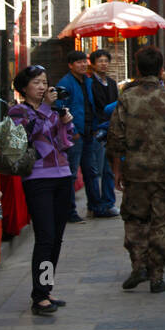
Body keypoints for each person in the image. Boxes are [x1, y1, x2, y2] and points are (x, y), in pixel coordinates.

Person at [106, 45, 165, 294]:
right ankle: (157, 276)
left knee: (135, 220)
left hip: (134, 171)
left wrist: (117, 171)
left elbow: (115, 137)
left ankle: (138, 265)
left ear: (138, 69)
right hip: (164, 172)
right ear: (162, 70)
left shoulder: (126, 98)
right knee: (162, 222)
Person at [9, 65, 76, 317]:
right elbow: (29, 135)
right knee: (45, 236)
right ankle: (39, 295)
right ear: (24, 87)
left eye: (44, 82)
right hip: (38, 179)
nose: (42, 87)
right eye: (36, 82)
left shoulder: (52, 110)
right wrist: (48, 109)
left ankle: (46, 288)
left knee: (56, 237)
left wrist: (64, 123)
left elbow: (63, 142)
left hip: (62, 175)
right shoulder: (18, 111)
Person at [60, 52, 115, 222]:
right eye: (79, 62)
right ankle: (69, 210)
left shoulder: (88, 82)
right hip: (75, 134)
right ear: (71, 65)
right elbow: (61, 109)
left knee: (91, 171)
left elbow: (91, 107)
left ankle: (96, 206)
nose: (83, 65)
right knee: (72, 173)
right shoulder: (66, 83)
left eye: (84, 62)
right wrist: (72, 130)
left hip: (89, 132)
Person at [89, 49, 119, 213]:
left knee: (109, 168)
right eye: (100, 61)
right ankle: (96, 204)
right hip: (97, 130)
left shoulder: (112, 83)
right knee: (96, 169)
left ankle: (108, 202)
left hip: (111, 129)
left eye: (106, 61)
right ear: (93, 64)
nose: (103, 64)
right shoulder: (90, 83)